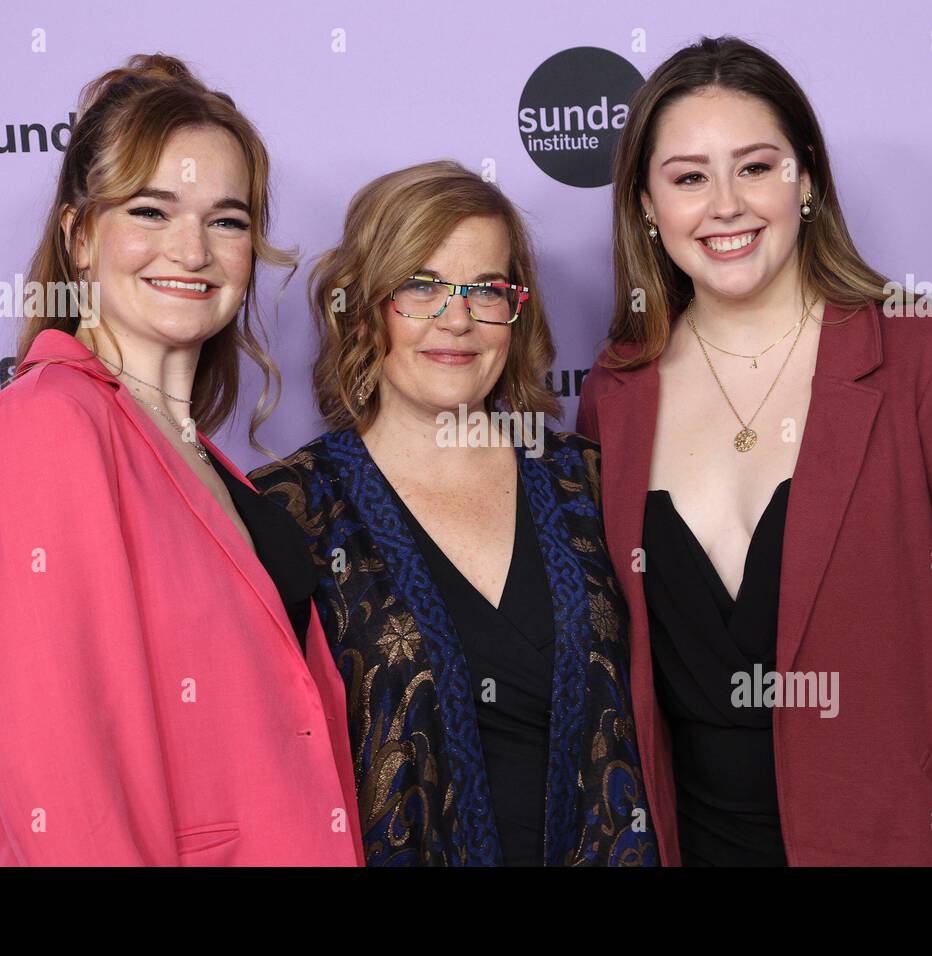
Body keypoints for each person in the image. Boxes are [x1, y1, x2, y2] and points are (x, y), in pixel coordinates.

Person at [576, 36, 932, 866]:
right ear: (645, 205)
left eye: (757, 166)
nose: (727, 204)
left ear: (806, 180)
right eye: (690, 177)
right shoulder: (616, 394)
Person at [0, 54, 361, 865]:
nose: (192, 250)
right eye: (151, 211)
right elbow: (65, 798)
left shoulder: (199, 459)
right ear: (80, 236)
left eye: (227, 220)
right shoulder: (45, 430)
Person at [251, 161, 658, 866]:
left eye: (487, 290)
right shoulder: (290, 510)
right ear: (364, 304)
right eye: (422, 286)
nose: (459, 319)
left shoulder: (589, 482)